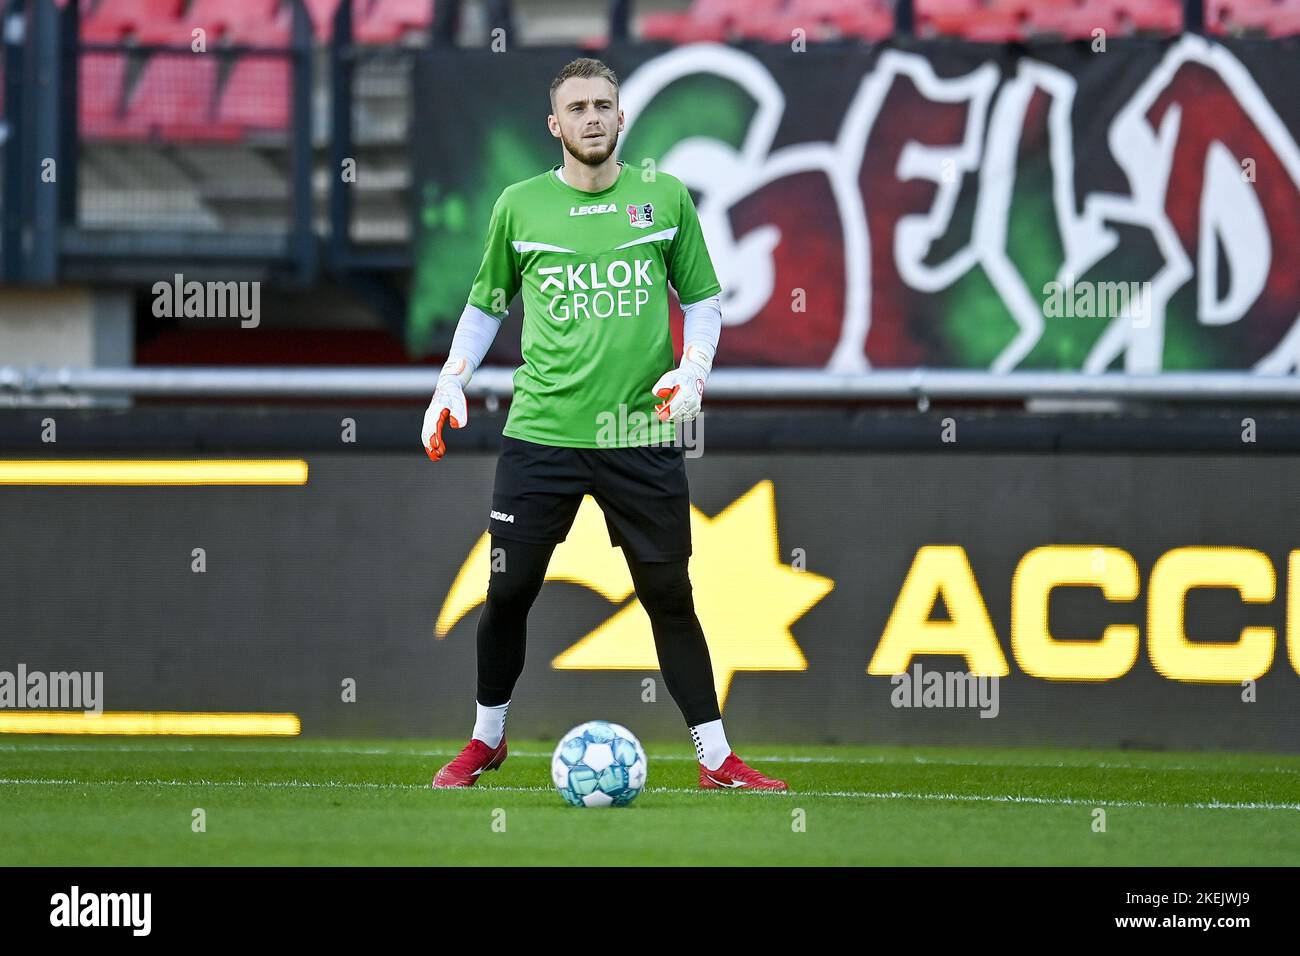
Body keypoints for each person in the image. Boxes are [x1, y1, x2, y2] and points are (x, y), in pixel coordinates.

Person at [422, 57, 786, 792]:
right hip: (542, 432)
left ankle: (715, 756)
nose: (592, 117)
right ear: (555, 125)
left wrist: (695, 371)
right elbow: (486, 305)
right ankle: (486, 739)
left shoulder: (665, 197)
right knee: (509, 588)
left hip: (638, 433)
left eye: (603, 105)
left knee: (668, 595)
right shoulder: (519, 207)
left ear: (623, 119)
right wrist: (449, 381)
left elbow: (705, 301)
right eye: (577, 107)